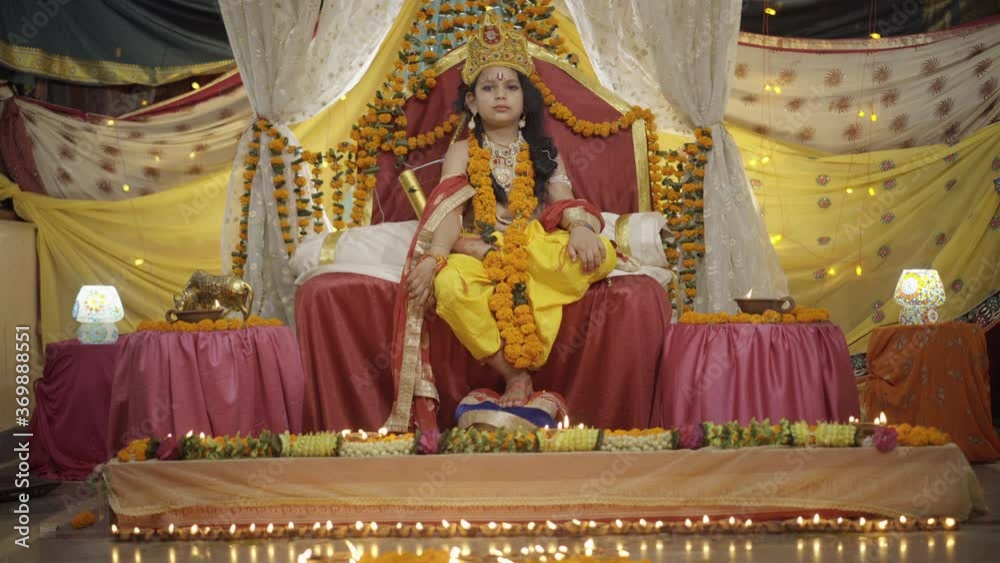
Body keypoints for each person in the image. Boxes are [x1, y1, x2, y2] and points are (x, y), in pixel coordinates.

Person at [384, 9, 614, 433]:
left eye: (510, 86)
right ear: (473, 102)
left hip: (531, 246)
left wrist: (582, 229)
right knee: (447, 285)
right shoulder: (462, 152)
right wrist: (438, 255)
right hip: (482, 249)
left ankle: (537, 289)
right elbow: (449, 209)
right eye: (488, 87)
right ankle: (513, 373)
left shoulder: (544, 150)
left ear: (525, 99)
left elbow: (562, 201)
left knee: (602, 254)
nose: (500, 95)